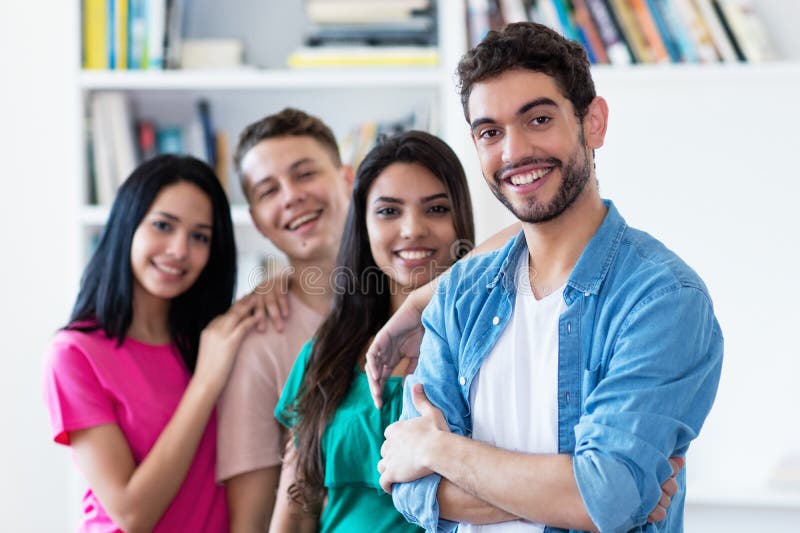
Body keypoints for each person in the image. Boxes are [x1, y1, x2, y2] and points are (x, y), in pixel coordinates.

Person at [371, 22, 723, 532]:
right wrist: (573, 490)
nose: (513, 152)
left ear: (593, 122)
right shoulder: (459, 298)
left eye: (537, 119)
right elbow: (412, 490)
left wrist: (439, 449)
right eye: (490, 131)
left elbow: (606, 496)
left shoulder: (662, 298)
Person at [270, 131, 475, 533]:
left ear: (460, 222)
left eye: (436, 209)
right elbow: (294, 512)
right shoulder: (326, 353)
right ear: (361, 225)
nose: (413, 229)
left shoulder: (487, 346)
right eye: (388, 211)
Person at [42, 154, 259, 532]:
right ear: (128, 226)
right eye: (163, 225)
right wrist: (205, 383)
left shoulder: (212, 338)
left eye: (199, 236)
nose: (179, 250)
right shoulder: (74, 354)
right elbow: (131, 513)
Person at [216, 108, 354, 531]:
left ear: (349, 179)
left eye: (305, 173)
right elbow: (252, 522)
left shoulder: (424, 297)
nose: (291, 196)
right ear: (257, 221)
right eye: (268, 190)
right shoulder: (256, 344)